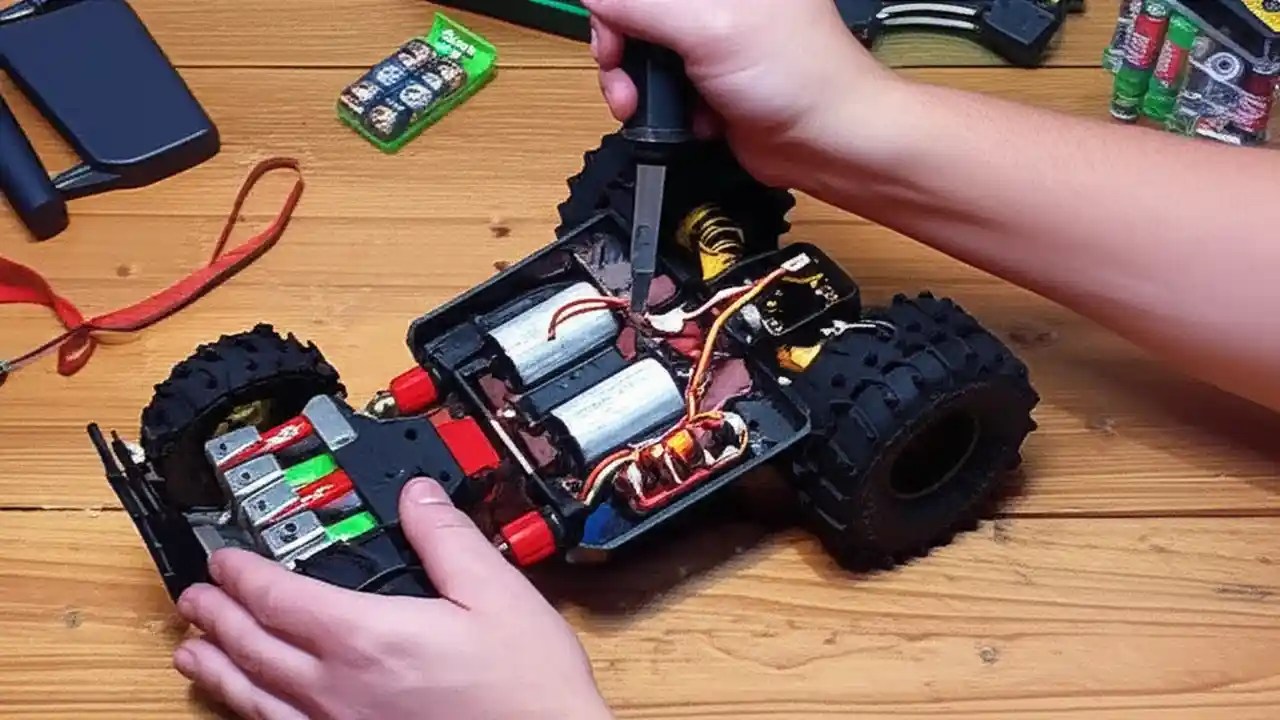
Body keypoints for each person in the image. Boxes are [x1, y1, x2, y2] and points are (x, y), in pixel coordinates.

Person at [168, 0, 1280, 717]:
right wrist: (839, 114)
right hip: (585, 407)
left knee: (841, 385)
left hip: (693, 425)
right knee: (634, 256)